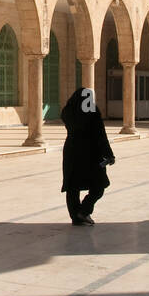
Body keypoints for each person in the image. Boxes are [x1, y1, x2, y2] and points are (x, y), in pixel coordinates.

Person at [60, 86, 114, 226]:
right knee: (99, 185)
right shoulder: (92, 111)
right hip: (90, 152)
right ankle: (83, 212)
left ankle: (76, 217)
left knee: (73, 186)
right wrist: (109, 154)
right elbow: (100, 134)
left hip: (72, 150)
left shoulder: (68, 111)